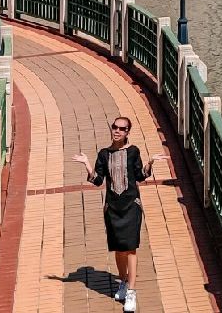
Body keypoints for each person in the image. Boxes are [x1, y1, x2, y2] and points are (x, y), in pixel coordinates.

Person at [73, 117, 166, 312]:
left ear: (127, 132)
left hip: (131, 206)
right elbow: (98, 180)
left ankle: (131, 291)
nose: (117, 131)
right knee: (118, 249)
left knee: (130, 248)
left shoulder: (133, 152)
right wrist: (87, 163)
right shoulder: (104, 154)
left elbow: (140, 176)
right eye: (115, 127)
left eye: (122, 129)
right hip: (112, 208)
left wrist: (150, 162)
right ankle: (122, 283)